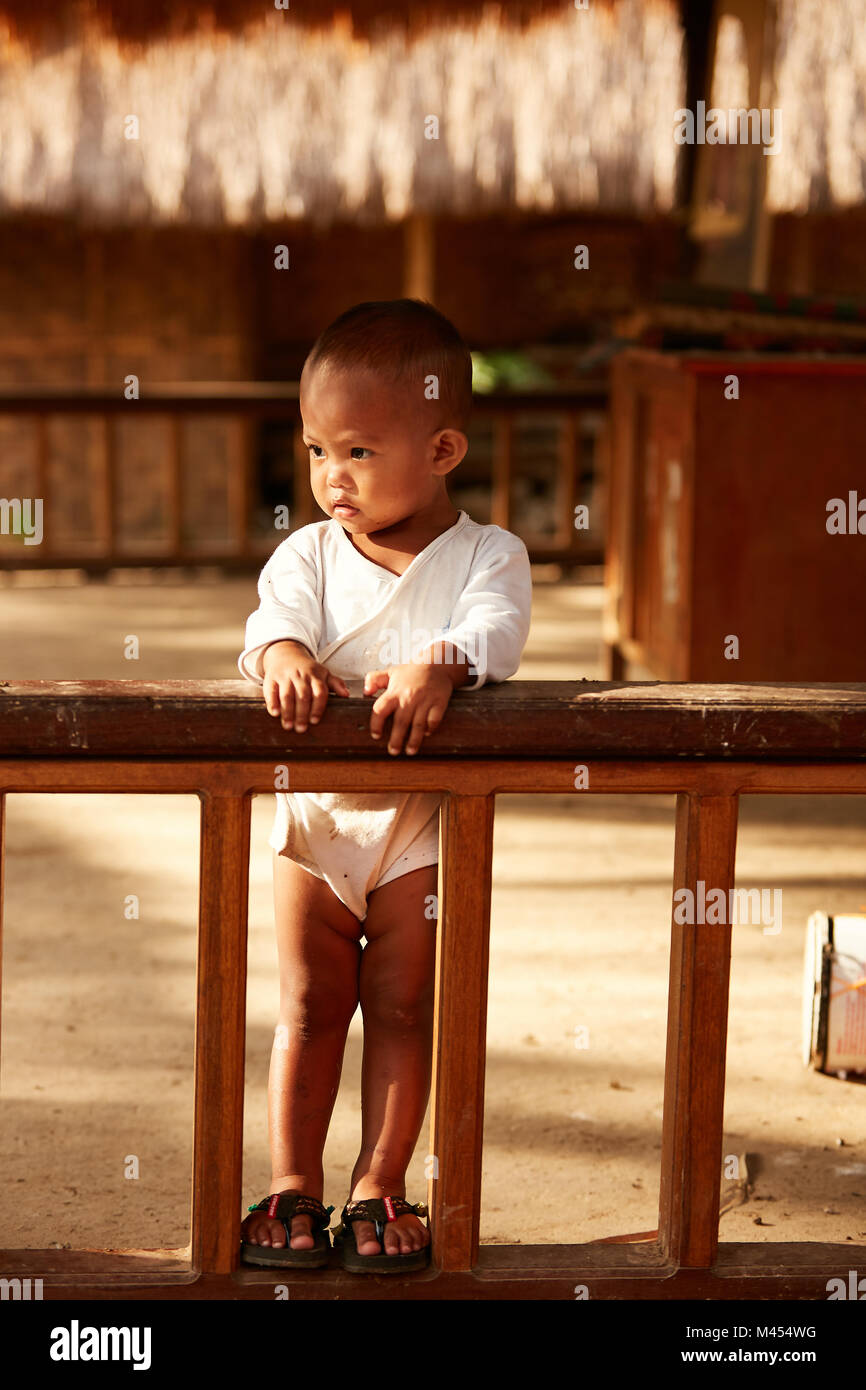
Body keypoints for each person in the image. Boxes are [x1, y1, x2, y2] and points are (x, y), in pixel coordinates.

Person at [237, 298, 532, 1271]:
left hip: (416, 828)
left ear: (442, 447)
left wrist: (442, 661)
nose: (330, 477)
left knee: (403, 1006)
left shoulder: (486, 555)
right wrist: (280, 651)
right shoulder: (310, 554)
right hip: (316, 824)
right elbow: (269, 621)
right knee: (312, 1005)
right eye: (317, 449)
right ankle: (292, 1182)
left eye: (357, 451)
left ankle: (378, 1185)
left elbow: (498, 627)